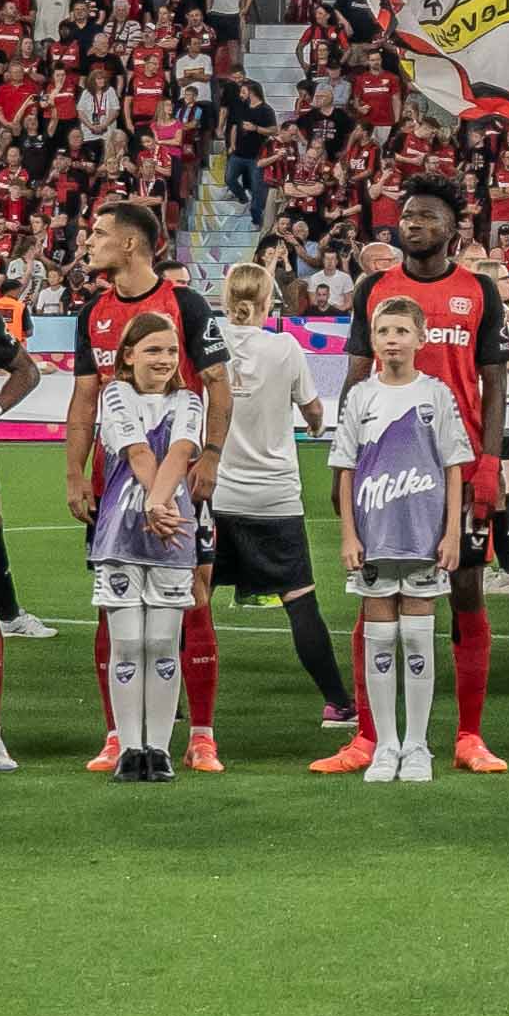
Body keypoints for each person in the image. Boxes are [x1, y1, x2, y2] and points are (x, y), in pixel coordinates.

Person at [352, 181, 509, 774]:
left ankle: (468, 735)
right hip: (384, 473)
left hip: (458, 464)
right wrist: (349, 465)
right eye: (406, 215)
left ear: (454, 229)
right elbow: (354, 377)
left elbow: (496, 381)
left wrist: (491, 463)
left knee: (466, 591)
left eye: (427, 215)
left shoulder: (477, 290)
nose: (413, 222)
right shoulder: (375, 289)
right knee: (375, 592)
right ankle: (368, 738)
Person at [65, 199, 232, 769]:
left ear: (130, 243)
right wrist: (73, 472)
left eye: (99, 232)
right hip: (117, 487)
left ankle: (200, 733)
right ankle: (119, 734)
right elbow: (86, 397)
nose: (90, 240)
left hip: (183, 482)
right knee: (113, 610)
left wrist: (210, 455)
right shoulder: (93, 312)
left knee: (195, 598)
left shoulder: (184, 303)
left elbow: (217, 383)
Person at [201, 253, 340, 759]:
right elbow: (314, 411)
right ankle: (337, 702)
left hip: (215, 494)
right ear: (267, 301)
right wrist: (317, 423)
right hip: (273, 495)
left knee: (197, 601)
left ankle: (179, 697)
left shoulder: (208, 344)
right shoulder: (285, 347)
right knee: (299, 600)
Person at [329, 296, 468, 785]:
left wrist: (451, 532)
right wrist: (348, 532)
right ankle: (385, 745)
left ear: (421, 338)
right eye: (384, 332)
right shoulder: (361, 398)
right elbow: (344, 470)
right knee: (380, 641)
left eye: (402, 332)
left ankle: (418, 746)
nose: (392, 341)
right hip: (375, 538)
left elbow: (454, 467)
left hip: (424, 536)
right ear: (373, 339)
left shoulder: (437, 395)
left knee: (418, 641)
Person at [84, 314, 215, 784]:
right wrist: (158, 505)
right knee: (127, 643)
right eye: (152, 350)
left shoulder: (189, 399)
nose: (163, 360)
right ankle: (129, 746)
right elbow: (137, 452)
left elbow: (180, 453)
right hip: (123, 532)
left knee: (162, 642)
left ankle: (157, 750)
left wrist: (158, 507)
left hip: (170, 532)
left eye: (170, 351)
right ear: (128, 355)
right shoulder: (114, 394)